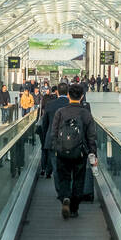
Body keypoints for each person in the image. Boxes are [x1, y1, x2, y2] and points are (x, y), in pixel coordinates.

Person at [47, 83, 98, 218]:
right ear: (82, 96)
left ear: (68, 96)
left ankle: (65, 197)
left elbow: (54, 133)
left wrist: (57, 147)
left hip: (62, 152)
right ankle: (74, 208)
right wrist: (93, 153)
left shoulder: (60, 112)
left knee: (63, 177)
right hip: (80, 153)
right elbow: (91, 136)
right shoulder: (85, 113)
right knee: (78, 179)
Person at [39, 82, 69, 179]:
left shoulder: (50, 105)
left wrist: (44, 139)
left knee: (56, 167)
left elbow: (45, 124)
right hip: (69, 140)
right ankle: (66, 188)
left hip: (52, 139)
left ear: (57, 92)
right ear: (67, 92)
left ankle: (60, 191)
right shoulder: (71, 104)